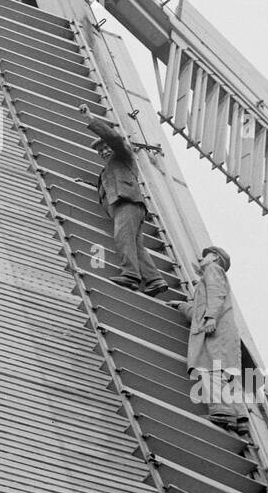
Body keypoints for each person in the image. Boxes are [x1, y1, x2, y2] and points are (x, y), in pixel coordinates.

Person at [78, 106, 167, 297]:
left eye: (105, 147)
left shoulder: (123, 156)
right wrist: (86, 183)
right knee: (135, 244)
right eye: (100, 150)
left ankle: (131, 275)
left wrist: (90, 119)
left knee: (123, 237)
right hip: (126, 206)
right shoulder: (109, 170)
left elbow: (116, 140)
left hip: (127, 204)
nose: (103, 151)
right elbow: (109, 187)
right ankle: (154, 279)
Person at [173, 246, 245, 429]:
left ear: (214, 257)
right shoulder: (211, 275)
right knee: (226, 372)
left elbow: (216, 294)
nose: (200, 259)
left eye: (205, 256)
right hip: (224, 332)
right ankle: (240, 417)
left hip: (216, 331)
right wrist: (182, 306)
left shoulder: (213, 270)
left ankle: (222, 411)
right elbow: (199, 312)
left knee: (212, 367)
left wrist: (211, 317)